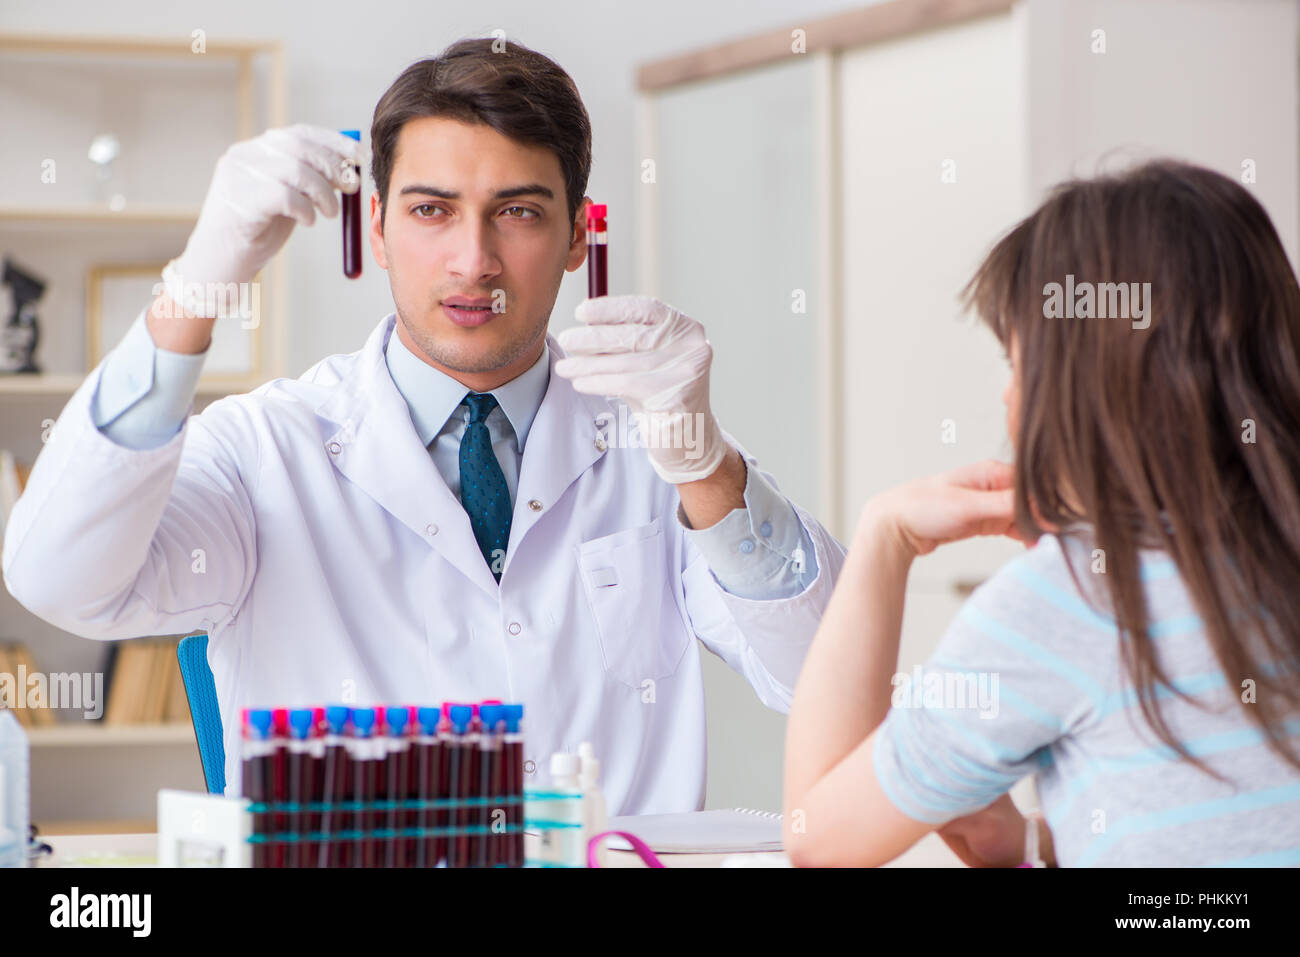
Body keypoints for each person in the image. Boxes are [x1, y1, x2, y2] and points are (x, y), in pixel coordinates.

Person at [1, 38, 846, 812]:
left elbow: (828, 673)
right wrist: (191, 292)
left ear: (581, 236)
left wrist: (708, 469)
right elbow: (59, 577)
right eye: (432, 209)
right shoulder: (268, 448)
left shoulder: (654, 448)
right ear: (374, 225)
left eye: (517, 211)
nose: (473, 259)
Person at [783, 160, 1300, 866]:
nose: (1007, 399)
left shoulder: (1074, 599)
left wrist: (885, 535)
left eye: (1017, 365)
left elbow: (817, 839)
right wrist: (1035, 840)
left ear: (1087, 385)